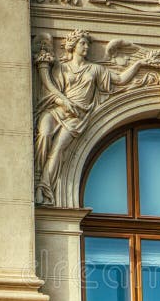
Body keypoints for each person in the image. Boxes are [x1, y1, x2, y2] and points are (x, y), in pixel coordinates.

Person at [35, 29, 149, 205]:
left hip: (76, 117)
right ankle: (35, 174)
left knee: (58, 148)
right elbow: (52, 90)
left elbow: (119, 79)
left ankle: (44, 186)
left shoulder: (95, 69)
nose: (86, 46)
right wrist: (64, 102)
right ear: (73, 46)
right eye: (83, 43)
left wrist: (139, 64)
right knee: (44, 133)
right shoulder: (62, 67)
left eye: (88, 43)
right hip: (58, 110)